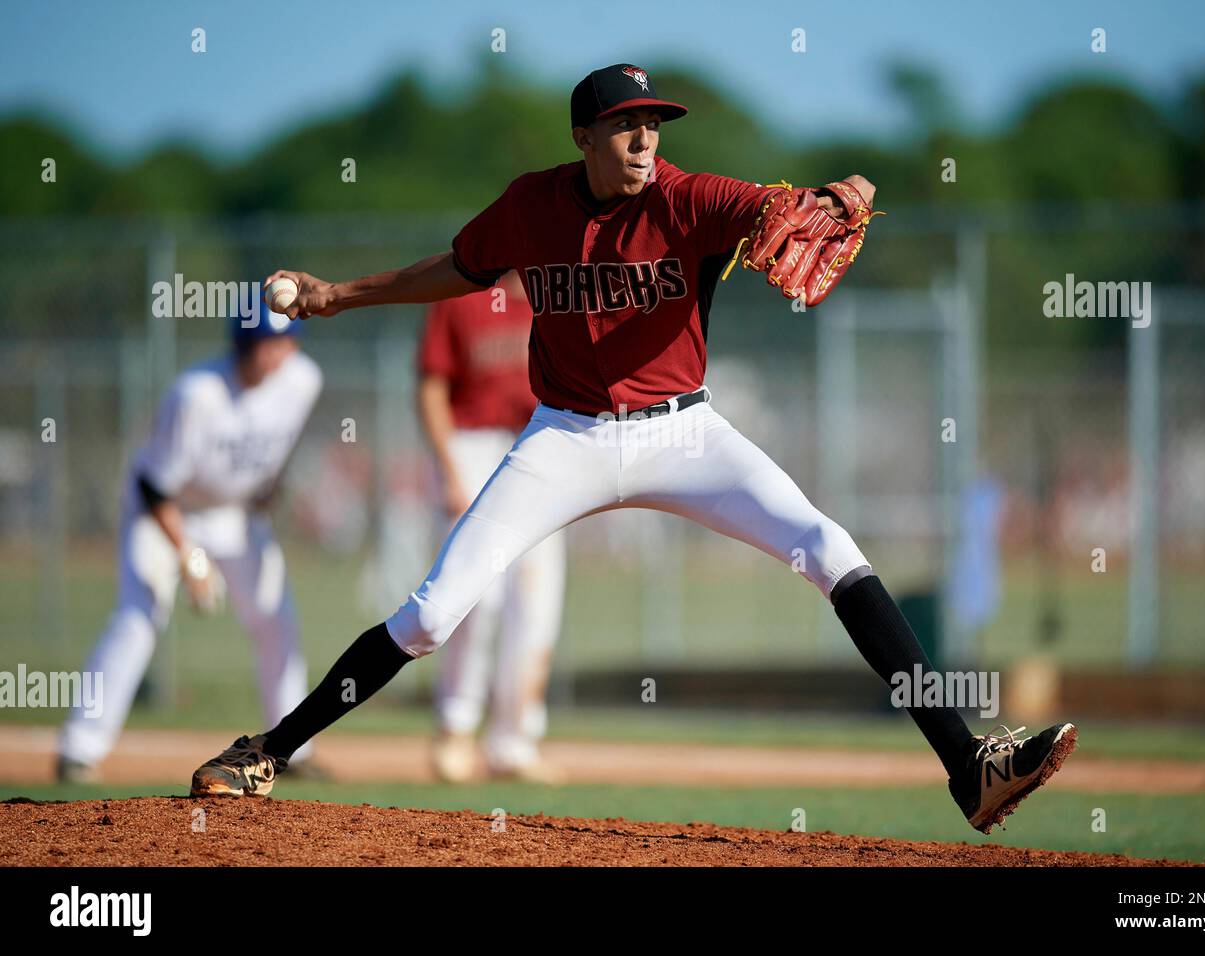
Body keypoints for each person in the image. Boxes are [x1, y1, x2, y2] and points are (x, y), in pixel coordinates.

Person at [189, 64, 1076, 834]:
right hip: (564, 437)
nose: (644, 137)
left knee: (829, 549)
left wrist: (844, 193)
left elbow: (776, 206)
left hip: (685, 433)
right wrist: (337, 295)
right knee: (428, 615)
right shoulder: (532, 205)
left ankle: (970, 766)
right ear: (584, 135)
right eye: (624, 124)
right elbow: (456, 269)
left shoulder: (691, 199)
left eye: (652, 123)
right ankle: (267, 749)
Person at [57, 299, 325, 782]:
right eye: (266, 343)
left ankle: (293, 752)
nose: (277, 354)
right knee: (139, 617)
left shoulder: (303, 381)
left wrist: (267, 492)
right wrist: (189, 557)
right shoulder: (198, 394)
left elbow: (270, 454)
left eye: (285, 343)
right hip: (165, 514)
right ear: (242, 343)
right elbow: (153, 485)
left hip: (233, 515)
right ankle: (79, 748)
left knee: (276, 619)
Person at [416, 269, 566, 782]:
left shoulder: (563, 293)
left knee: (537, 602)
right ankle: (455, 731)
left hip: (541, 443)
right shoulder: (464, 299)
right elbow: (433, 386)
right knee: (475, 597)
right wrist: (448, 467)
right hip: (473, 444)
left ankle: (514, 742)